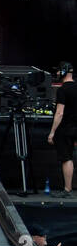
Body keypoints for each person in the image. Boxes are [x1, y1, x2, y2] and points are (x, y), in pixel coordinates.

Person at [49, 62, 77, 196]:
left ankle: (67, 189)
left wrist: (52, 132)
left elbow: (59, 112)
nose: (58, 74)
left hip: (65, 129)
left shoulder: (62, 90)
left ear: (64, 72)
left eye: (59, 71)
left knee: (67, 158)